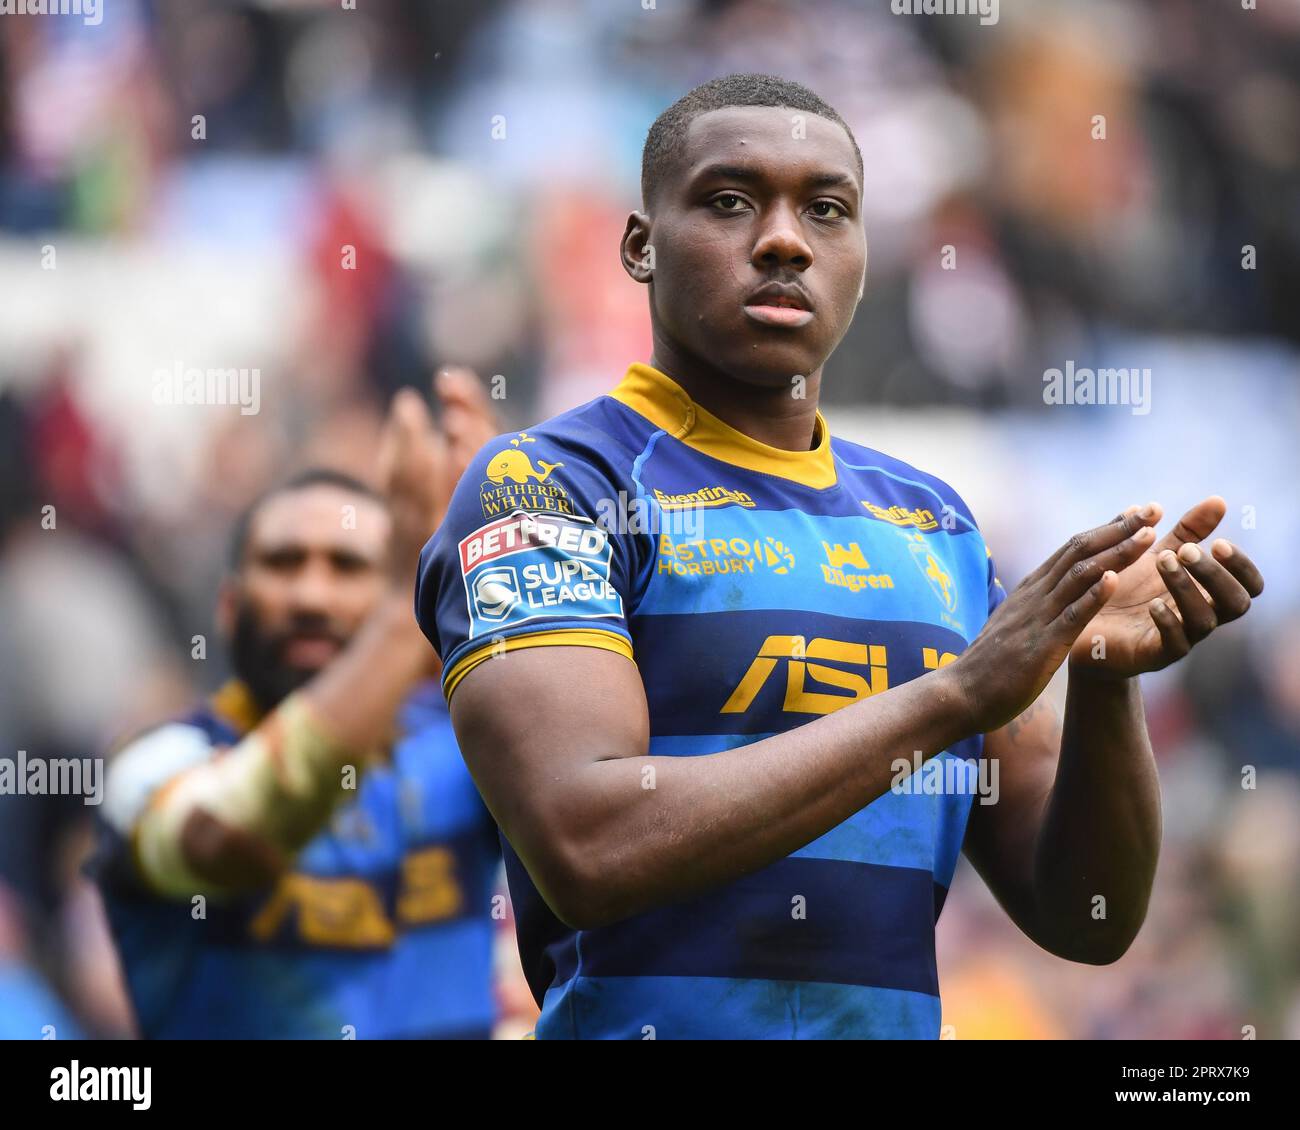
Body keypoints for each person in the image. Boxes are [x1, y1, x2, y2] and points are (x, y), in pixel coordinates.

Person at [414, 74, 1265, 1039]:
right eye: (730, 201)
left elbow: (1087, 919)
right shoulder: (550, 485)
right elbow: (586, 845)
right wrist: (951, 698)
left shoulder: (935, 524)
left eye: (828, 210)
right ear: (639, 246)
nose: (784, 240)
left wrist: (1107, 687)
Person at [97, 372, 504, 1039]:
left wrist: (508, 553)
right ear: (228, 608)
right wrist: (403, 616)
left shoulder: (465, 751)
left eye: (348, 567)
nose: (312, 596)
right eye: (284, 563)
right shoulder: (155, 764)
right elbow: (230, 841)